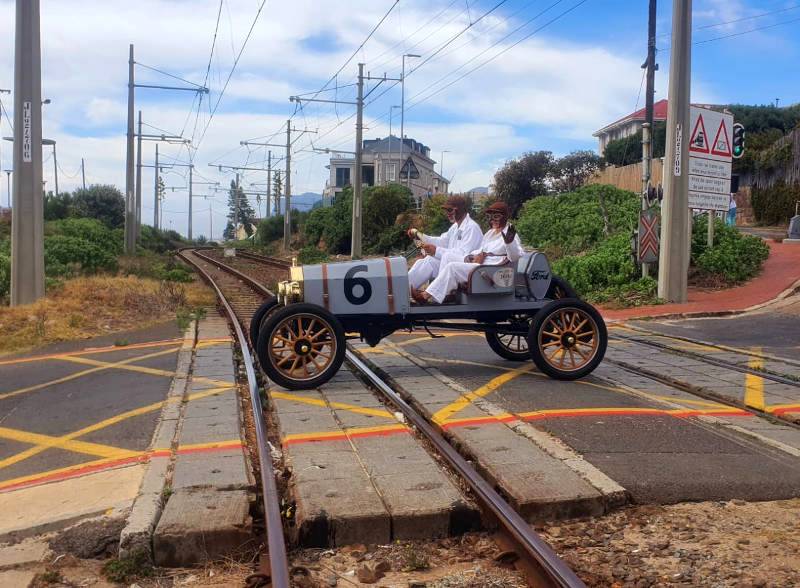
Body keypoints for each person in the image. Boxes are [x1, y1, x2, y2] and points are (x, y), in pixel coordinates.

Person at [414, 201, 524, 304]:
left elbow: (515, 256)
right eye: (490, 217)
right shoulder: (491, 233)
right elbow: (481, 249)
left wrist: (509, 243)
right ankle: (447, 294)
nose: (492, 220)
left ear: (505, 216)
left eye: (496, 216)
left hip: (491, 271)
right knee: (447, 257)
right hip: (481, 265)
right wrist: (471, 256)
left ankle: (425, 295)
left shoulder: (510, 234)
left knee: (453, 267)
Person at [407, 195, 482, 297]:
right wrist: (421, 236)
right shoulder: (455, 227)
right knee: (427, 261)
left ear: (459, 210)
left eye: (450, 210)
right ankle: (402, 289)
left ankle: (443, 295)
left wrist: (436, 251)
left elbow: (464, 256)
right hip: (449, 263)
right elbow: (442, 241)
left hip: (465, 268)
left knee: (445, 256)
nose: (447, 214)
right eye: (446, 211)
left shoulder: (472, 228)